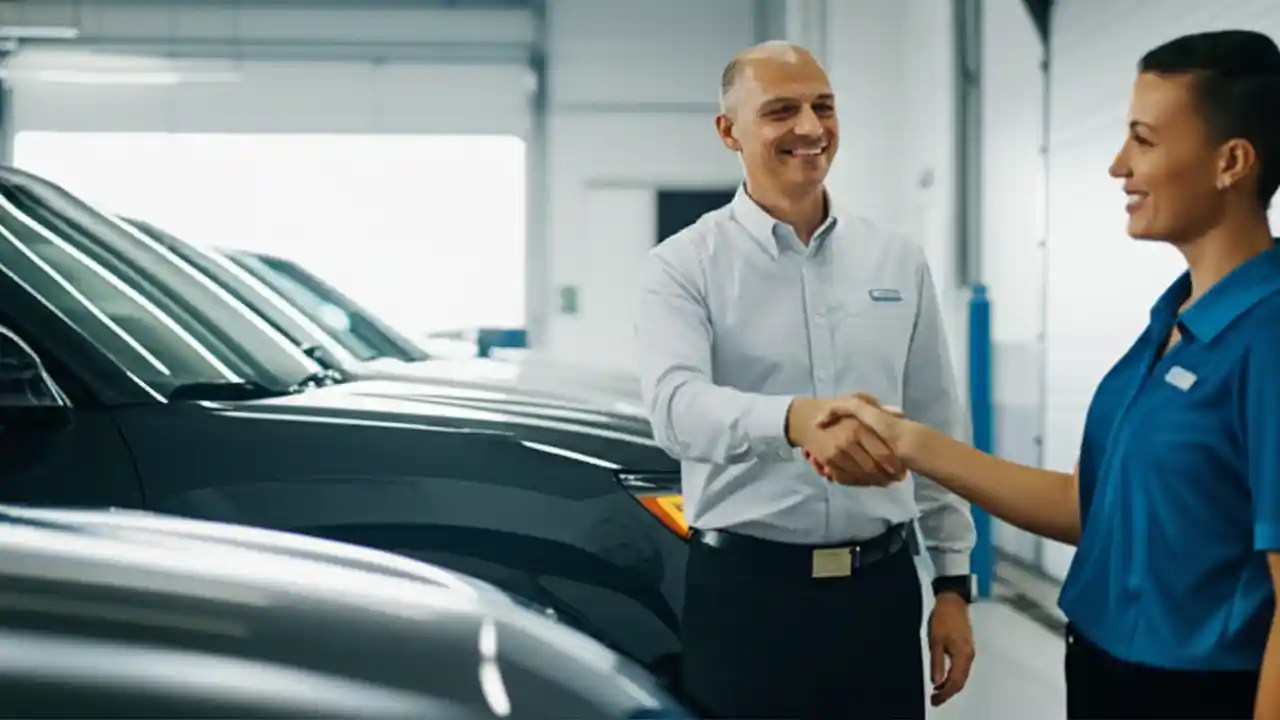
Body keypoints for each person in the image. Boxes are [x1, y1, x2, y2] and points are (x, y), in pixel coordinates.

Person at [810, 29, 1280, 720]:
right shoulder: (1171, 323)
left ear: (1230, 161)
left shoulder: (1266, 336)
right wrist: (908, 443)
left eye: (1144, 139)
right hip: (1103, 672)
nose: (1118, 164)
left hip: (1196, 692)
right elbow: (1090, 509)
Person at [634, 40, 976, 719]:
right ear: (728, 131)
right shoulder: (683, 266)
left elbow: (935, 428)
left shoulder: (896, 261)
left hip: (879, 595)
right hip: (745, 597)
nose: (811, 128)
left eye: (823, 107)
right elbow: (675, 409)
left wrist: (953, 586)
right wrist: (793, 419)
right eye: (781, 110)